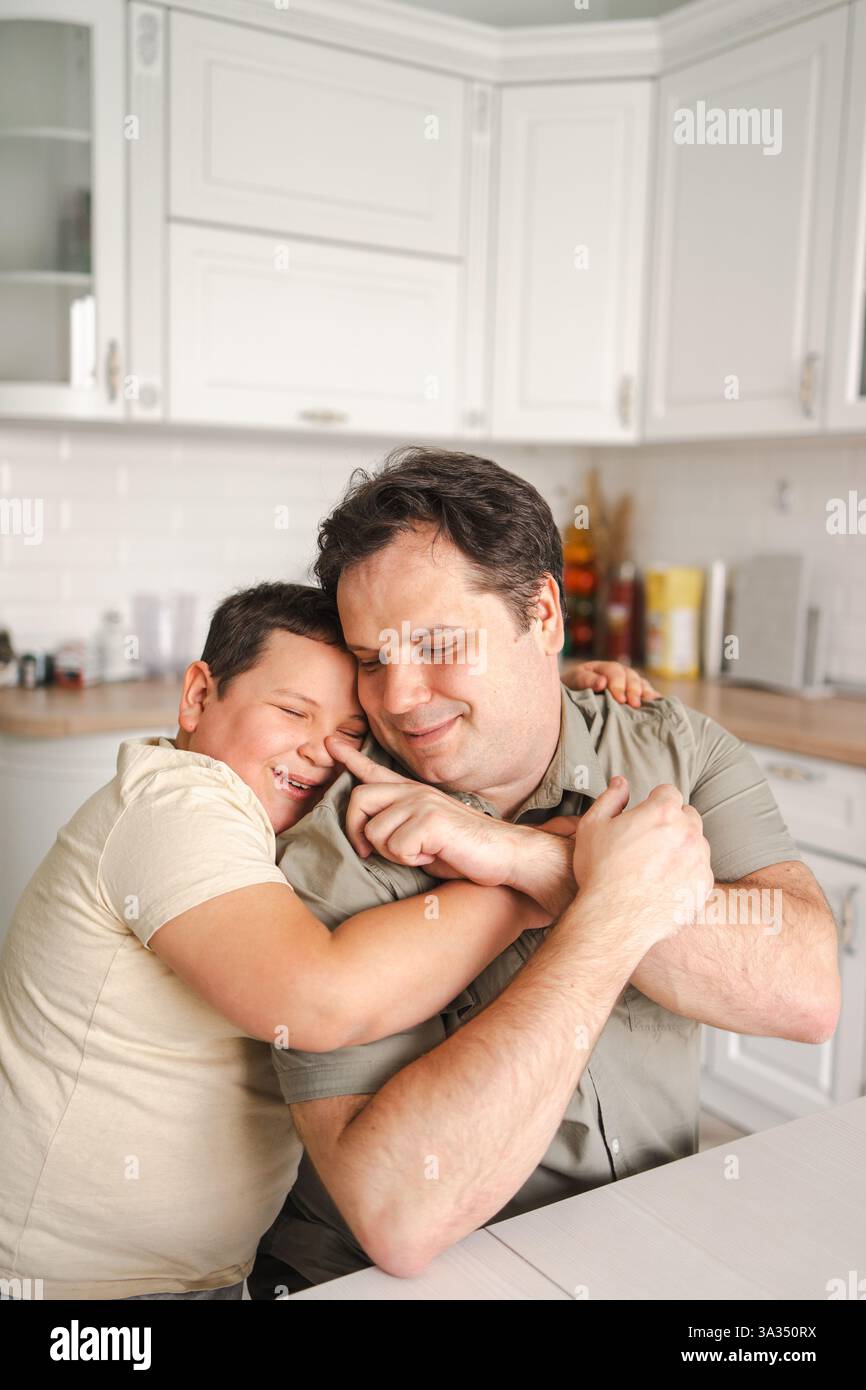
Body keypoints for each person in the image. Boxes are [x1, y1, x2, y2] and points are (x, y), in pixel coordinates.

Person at [250, 446, 840, 1295]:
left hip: (642, 1239)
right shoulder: (342, 842)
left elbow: (808, 993)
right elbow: (398, 1216)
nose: (402, 696)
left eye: (438, 643)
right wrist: (608, 907)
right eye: (372, 659)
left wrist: (537, 862)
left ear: (544, 615)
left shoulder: (674, 750)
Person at [0, 580, 627, 1301]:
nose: (322, 749)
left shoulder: (262, 827)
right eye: (292, 710)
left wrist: (552, 690)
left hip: (202, 1279)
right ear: (198, 698)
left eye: (351, 736)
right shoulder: (178, 801)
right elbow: (316, 1003)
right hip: (80, 1293)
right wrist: (533, 876)